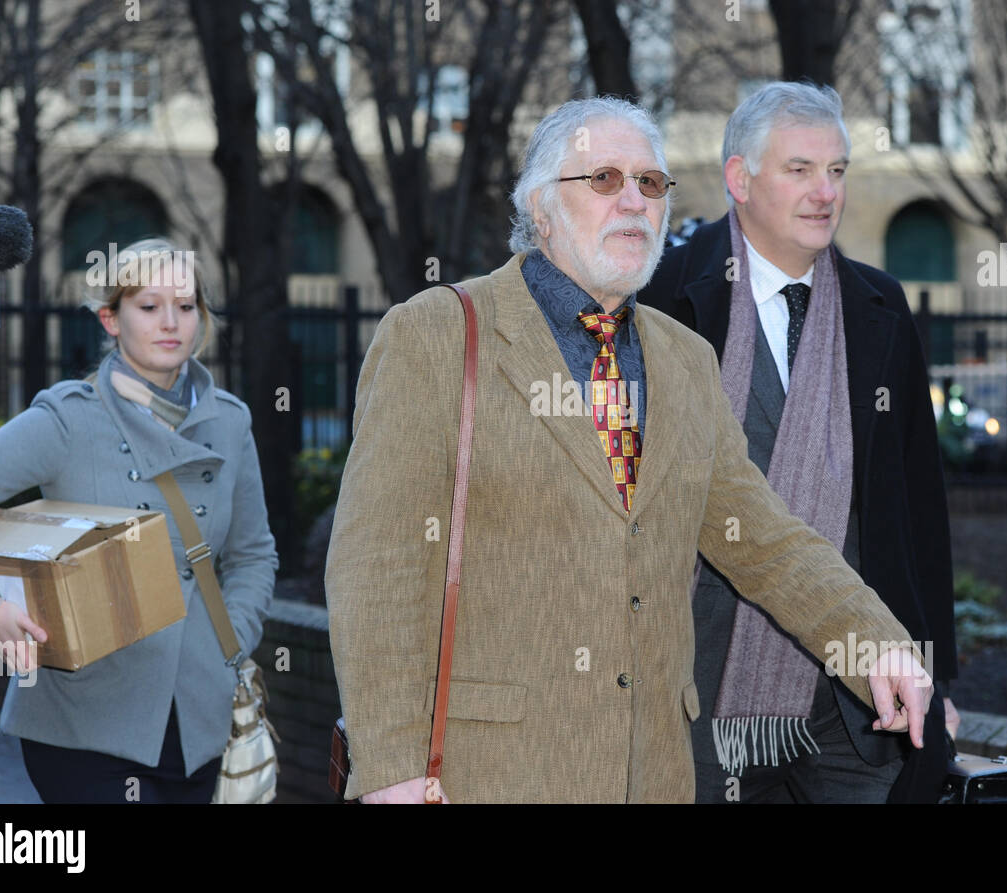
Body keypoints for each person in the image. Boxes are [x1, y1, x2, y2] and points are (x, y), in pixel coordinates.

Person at [325, 96, 934, 804]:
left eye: (650, 184)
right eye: (605, 179)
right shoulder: (438, 334)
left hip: (653, 773)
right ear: (541, 204)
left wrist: (874, 641)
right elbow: (379, 567)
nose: (634, 201)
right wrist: (393, 766)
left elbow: (766, 541)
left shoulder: (686, 361)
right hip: (485, 774)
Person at [639, 81, 959, 803]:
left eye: (838, 170)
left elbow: (915, 506)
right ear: (738, 179)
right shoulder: (666, 297)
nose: (825, 192)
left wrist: (935, 675)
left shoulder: (879, 307)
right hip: (701, 685)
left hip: (855, 700)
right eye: (800, 170)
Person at [0, 238, 278, 803]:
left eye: (186, 306)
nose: (171, 322)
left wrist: (228, 641)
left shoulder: (230, 422)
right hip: (85, 721)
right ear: (110, 319)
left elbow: (253, 555)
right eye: (148, 306)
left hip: (199, 721)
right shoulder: (68, 418)